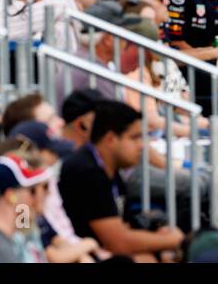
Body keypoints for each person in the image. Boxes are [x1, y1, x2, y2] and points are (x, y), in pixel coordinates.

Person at [57, 100, 183, 259]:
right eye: (135, 138)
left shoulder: (108, 166)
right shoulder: (86, 171)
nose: (142, 145)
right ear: (110, 139)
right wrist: (173, 240)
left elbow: (122, 228)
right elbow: (117, 243)